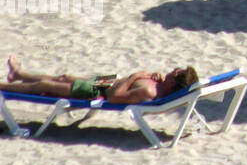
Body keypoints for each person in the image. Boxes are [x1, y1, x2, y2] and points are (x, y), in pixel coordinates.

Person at [2, 56, 199, 104]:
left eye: (175, 72)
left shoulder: (150, 92)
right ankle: (19, 74)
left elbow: (115, 97)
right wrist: (154, 75)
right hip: (109, 80)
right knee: (63, 77)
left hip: (100, 91)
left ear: (174, 82)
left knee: (46, 86)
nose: (172, 70)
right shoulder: (161, 83)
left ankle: (3, 86)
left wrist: (136, 75)